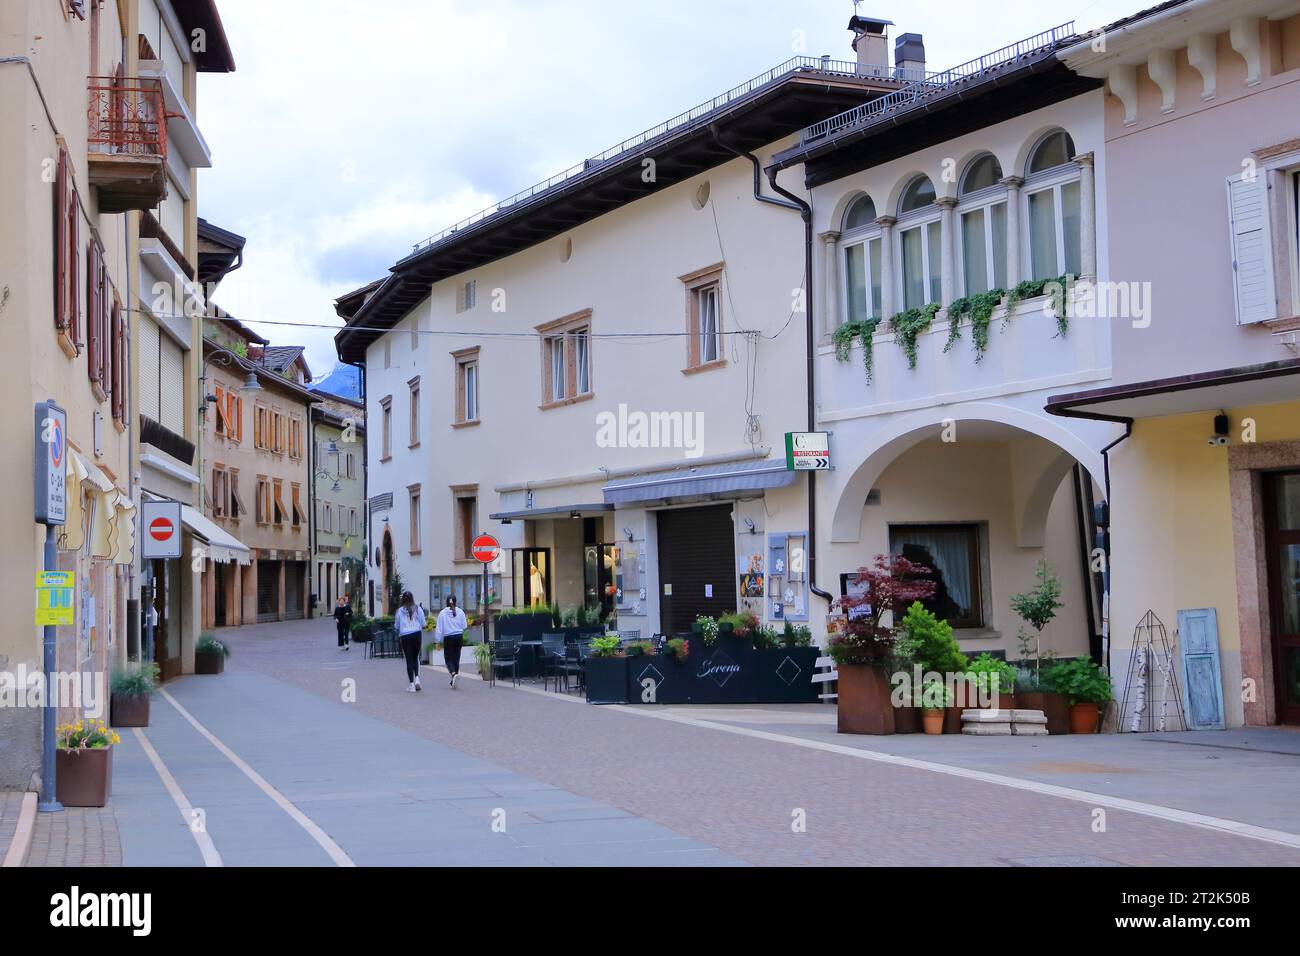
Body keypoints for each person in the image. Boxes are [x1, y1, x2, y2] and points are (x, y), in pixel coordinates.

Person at [395, 591, 426, 692]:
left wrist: (398, 629)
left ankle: (411, 685)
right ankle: (417, 678)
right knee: (415, 657)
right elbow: (423, 623)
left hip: (405, 636)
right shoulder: (418, 608)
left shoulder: (400, 611)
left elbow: (397, 626)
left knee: (409, 659)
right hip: (417, 634)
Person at [436, 596, 469, 689]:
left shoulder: (442, 613)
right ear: (456, 601)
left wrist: (437, 641)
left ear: (446, 602)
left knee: (448, 659)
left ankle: (453, 673)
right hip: (459, 636)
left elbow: (439, 629)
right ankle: (454, 680)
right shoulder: (460, 612)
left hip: (448, 637)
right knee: (456, 658)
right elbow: (464, 626)